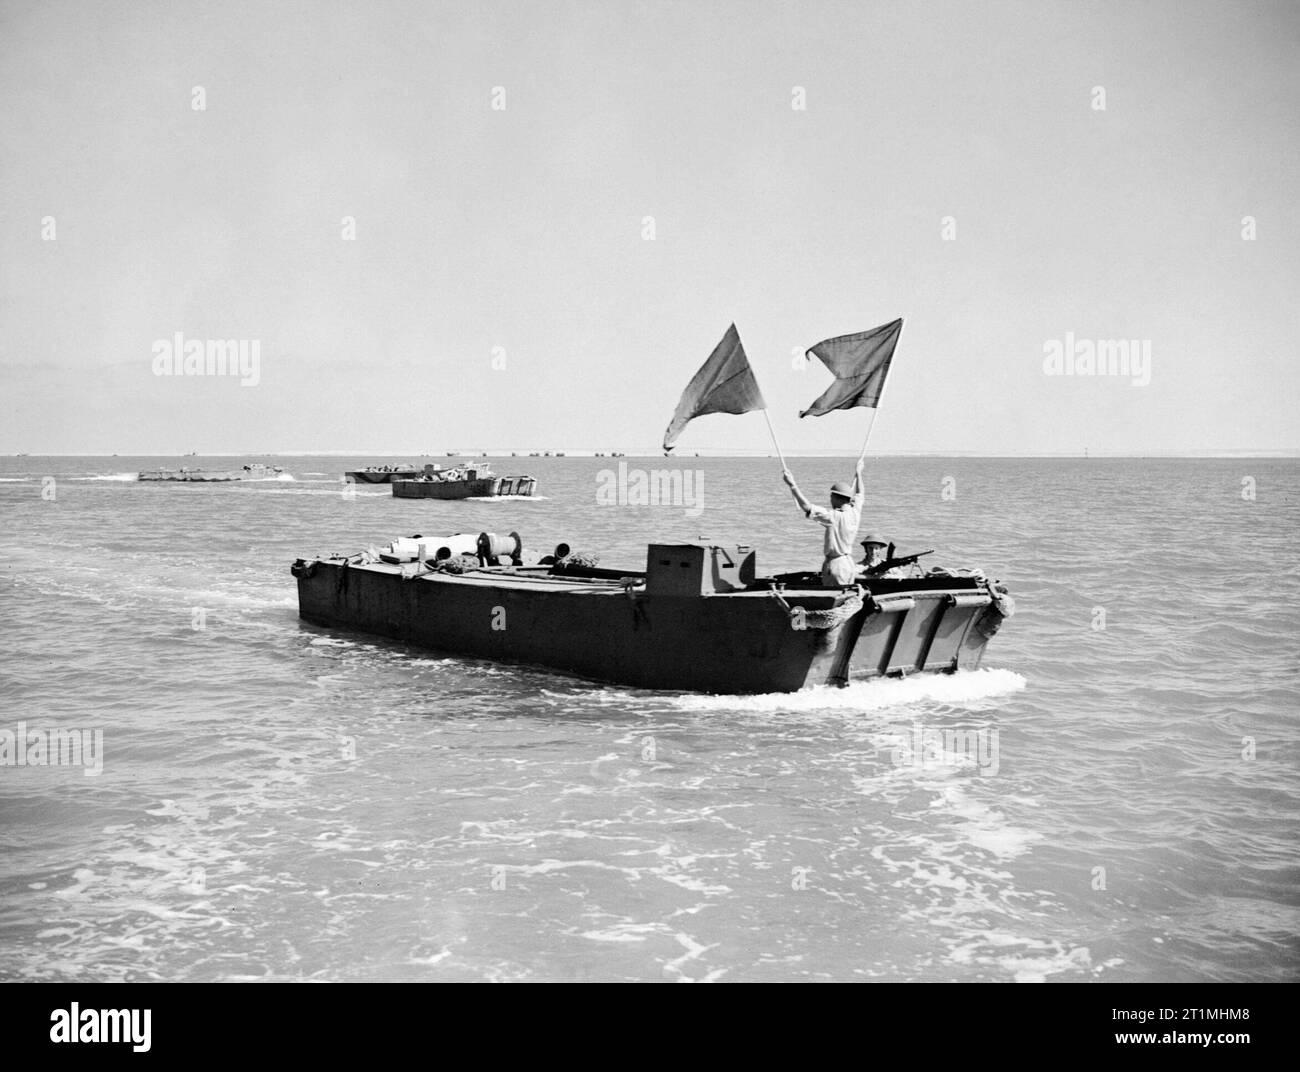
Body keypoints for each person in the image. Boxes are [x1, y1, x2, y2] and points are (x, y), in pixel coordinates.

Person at [783, 460, 864, 585]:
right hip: (848, 564)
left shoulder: (834, 517)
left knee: (834, 597)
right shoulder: (855, 512)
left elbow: (807, 506)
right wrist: (859, 473)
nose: (830, 500)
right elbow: (860, 493)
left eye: (831, 497)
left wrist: (792, 485)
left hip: (836, 565)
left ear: (837, 498)